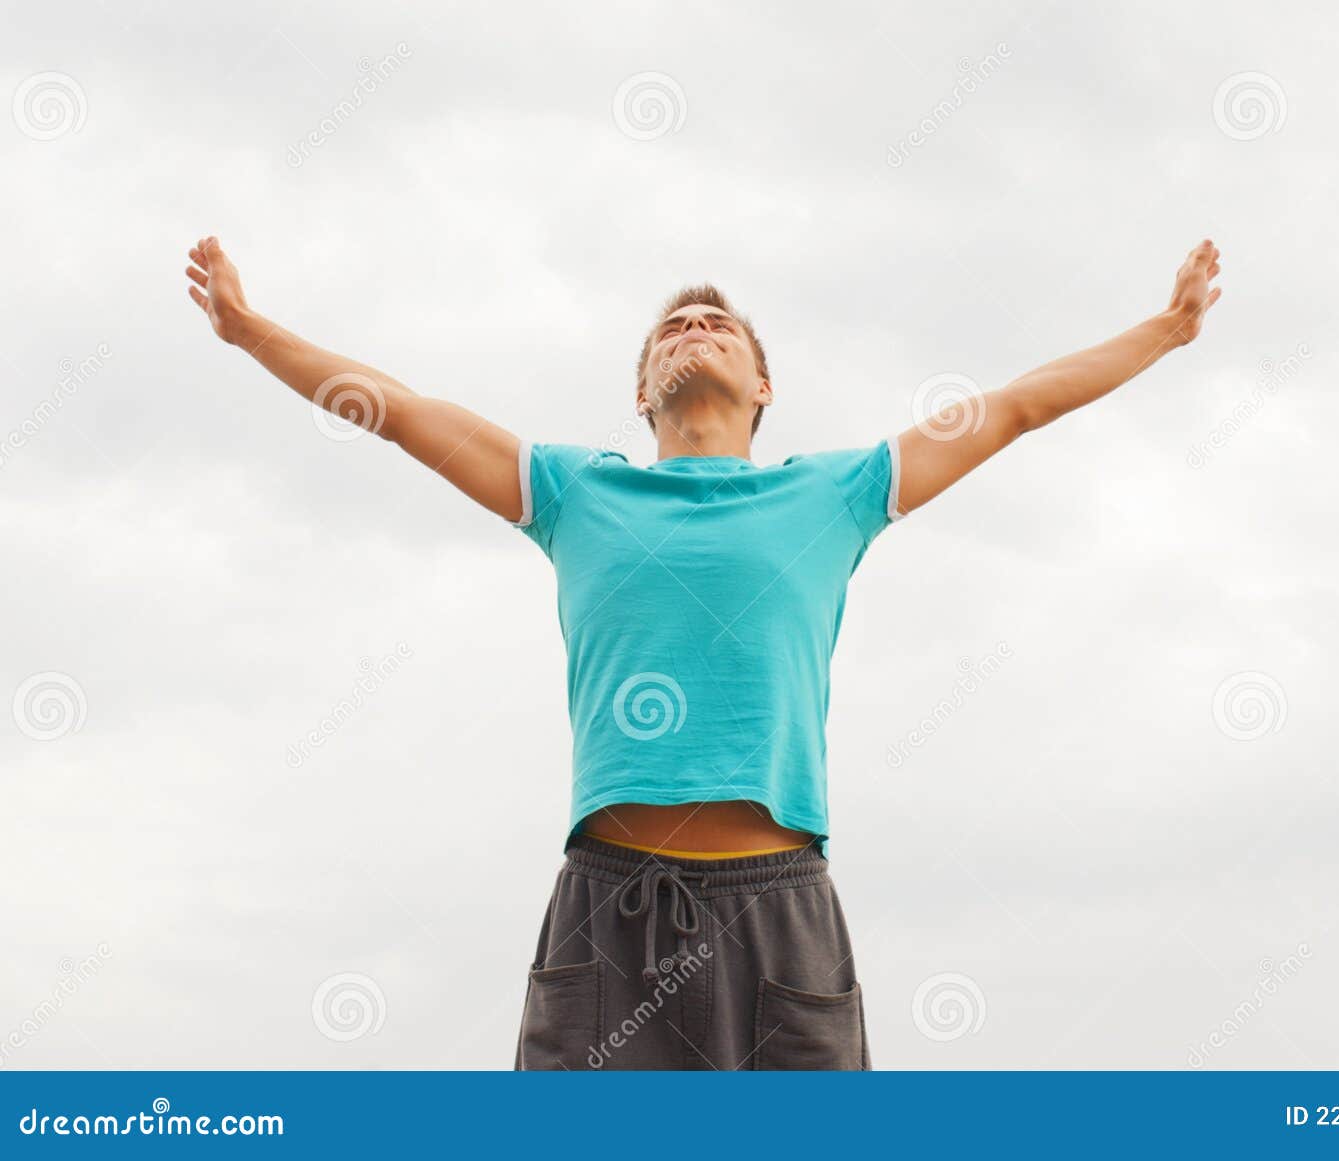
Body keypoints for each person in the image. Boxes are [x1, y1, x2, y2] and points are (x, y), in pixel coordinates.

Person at [183, 234, 1222, 1069]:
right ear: (642, 394)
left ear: (763, 387)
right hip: (609, 912)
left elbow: (1015, 407)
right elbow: (398, 413)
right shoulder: (571, 490)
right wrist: (247, 330)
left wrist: (1167, 330)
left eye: (717, 324)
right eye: (670, 329)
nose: (694, 329)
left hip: (780, 915)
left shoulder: (835, 493)